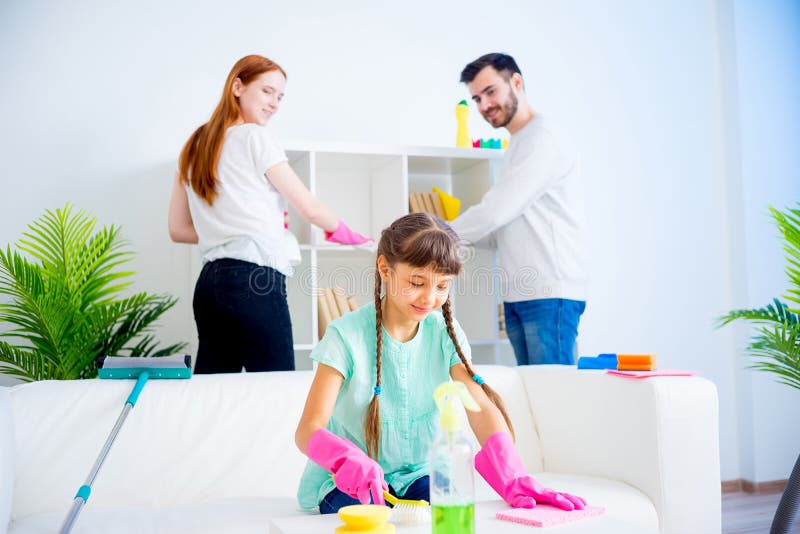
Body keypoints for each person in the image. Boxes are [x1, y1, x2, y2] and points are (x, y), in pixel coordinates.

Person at [293, 212, 585, 513]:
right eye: (417, 282)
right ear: (385, 269)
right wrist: (345, 459)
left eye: (442, 286)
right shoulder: (345, 335)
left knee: (452, 510)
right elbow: (307, 429)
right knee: (373, 514)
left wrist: (514, 476)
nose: (429, 298)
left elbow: (481, 408)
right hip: (348, 480)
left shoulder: (445, 332)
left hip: (419, 474)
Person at [168, 54, 370, 374]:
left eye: (280, 96)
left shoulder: (194, 145)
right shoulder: (255, 136)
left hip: (209, 285)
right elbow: (309, 207)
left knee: (216, 395)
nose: (274, 103)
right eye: (267, 91)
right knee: (276, 391)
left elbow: (178, 229)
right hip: (255, 281)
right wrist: (351, 235)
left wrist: (234, 227)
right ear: (237, 86)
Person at [450, 53, 587, 366]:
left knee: (551, 397)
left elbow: (495, 212)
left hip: (549, 292)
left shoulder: (543, 137)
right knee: (532, 393)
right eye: (476, 99)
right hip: (521, 293)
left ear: (516, 82)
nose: (484, 105)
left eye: (491, 92)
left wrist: (438, 231)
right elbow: (504, 226)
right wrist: (451, 236)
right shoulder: (518, 144)